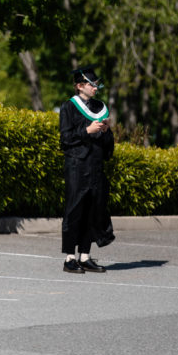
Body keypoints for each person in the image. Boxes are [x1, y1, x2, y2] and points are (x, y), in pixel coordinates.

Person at [59, 65, 116, 273]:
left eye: (97, 84)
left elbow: (108, 143)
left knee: (93, 211)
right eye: (92, 84)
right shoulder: (68, 107)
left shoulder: (99, 107)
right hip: (77, 166)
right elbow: (65, 139)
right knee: (74, 211)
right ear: (79, 86)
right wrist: (87, 130)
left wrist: (106, 132)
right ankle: (69, 258)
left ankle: (84, 256)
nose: (96, 88)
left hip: (96, 166)